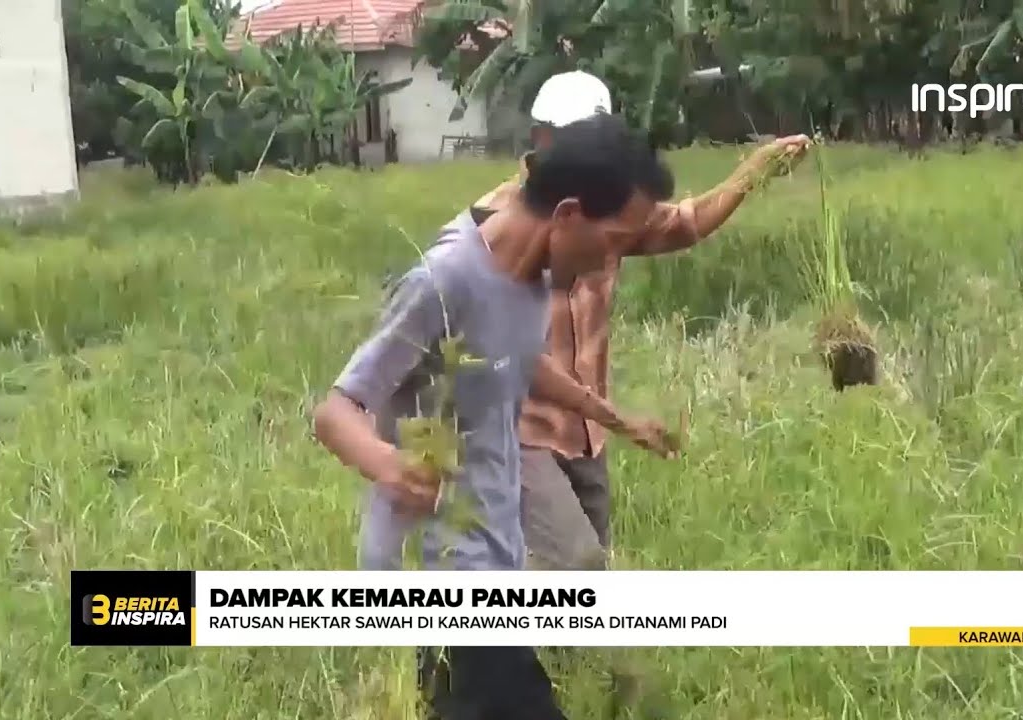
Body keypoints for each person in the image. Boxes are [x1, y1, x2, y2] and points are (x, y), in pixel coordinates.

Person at [312, 113, 680, 720]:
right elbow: (335, 411)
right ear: (567, 215)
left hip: (500, 556)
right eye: (613, 240)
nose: (611, 262)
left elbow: (519, 357)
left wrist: (614, 419)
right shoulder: (445, 280)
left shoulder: (533, 275)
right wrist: (391, 466)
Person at [471, 71, 813, 574]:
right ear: (540, 139)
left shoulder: (611, 205)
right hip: (518, 431)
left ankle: (551, 650)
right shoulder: (493, 221)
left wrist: (757, 170)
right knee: (576, 559)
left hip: (587, 431)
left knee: (586, 571)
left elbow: (686, 222)